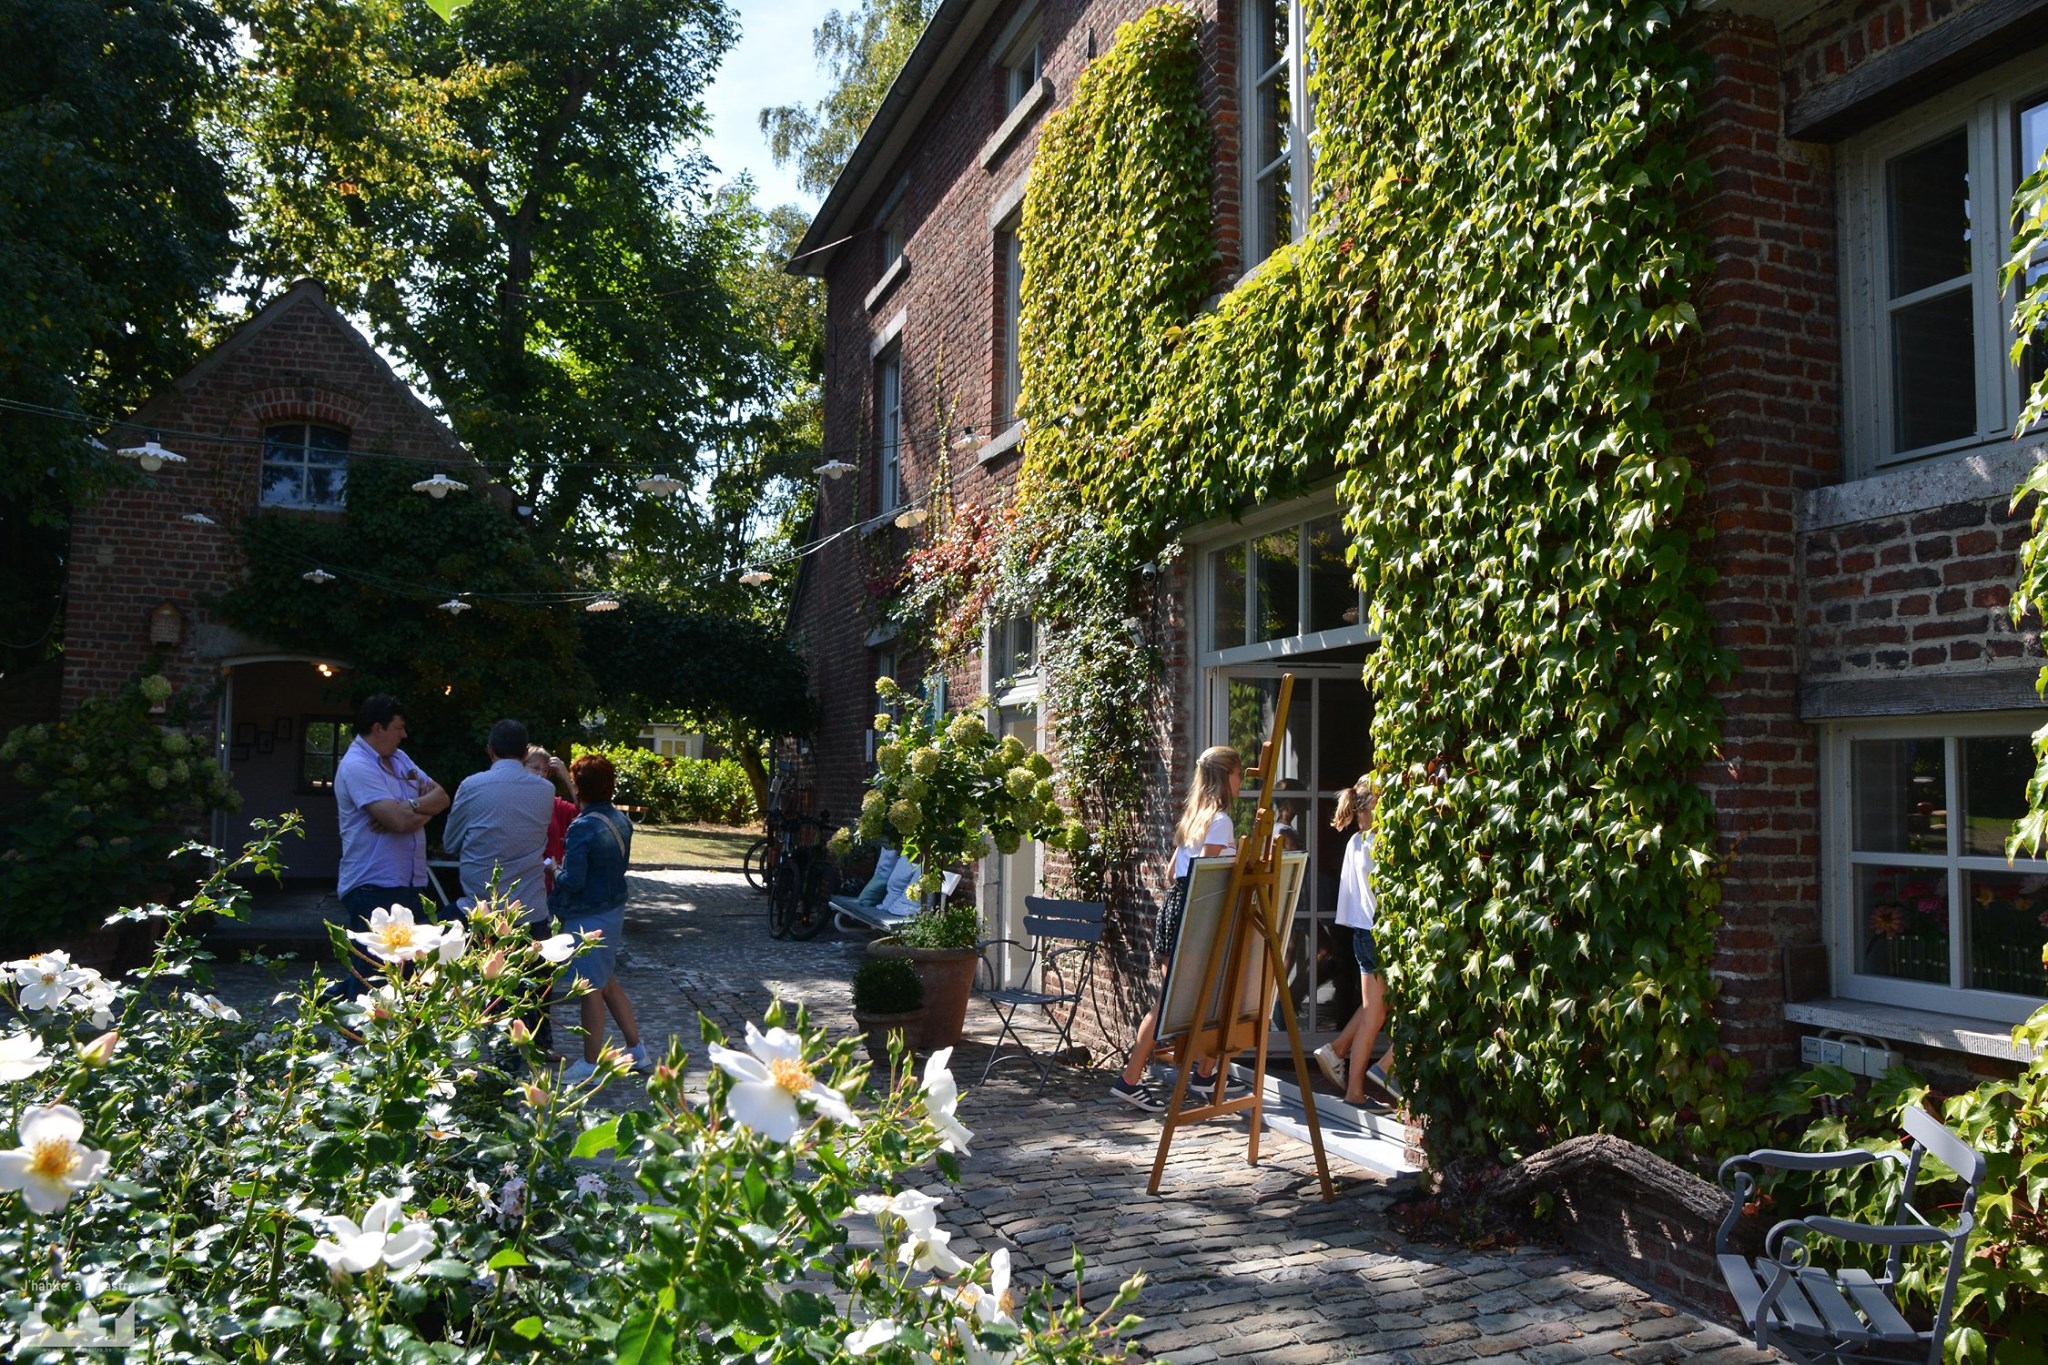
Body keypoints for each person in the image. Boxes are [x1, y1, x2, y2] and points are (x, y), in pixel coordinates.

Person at [1110, 745, 1252, 1113]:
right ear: (1226, 777)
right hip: (1195, 915)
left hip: (1177, 910)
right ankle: (1130, 1079)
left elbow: (1173, 872)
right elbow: (1205, 877)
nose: (1241, 782)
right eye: (1238, 774)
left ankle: (1204, 1077)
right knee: (1170, 1003)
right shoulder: (1220, 821)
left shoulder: (1194, 817)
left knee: (1202, 998)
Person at [551, 752, 652, 1083]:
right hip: (613, 909)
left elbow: (573, 881)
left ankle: (590, 1063)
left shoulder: (582, 827)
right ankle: (636, 1050)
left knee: (589, 988)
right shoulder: (621, 820)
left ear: (580, 787)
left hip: (588, 915)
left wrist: (553, 868)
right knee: (606, 981)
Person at [1313, 773, 1402, 1113]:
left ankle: (1351, 1083)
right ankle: (1382, 1069)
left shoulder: (1355, 843)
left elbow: (1347, 896)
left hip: (1362, 934)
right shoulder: (1384, 842)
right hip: (1383, 935)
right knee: (1383, 1012)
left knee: (1371, 1011)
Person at [333, 695, 449, 931]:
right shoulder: (357, 765)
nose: (404, 735)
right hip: (374, 886)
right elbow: (398, 821)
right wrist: (417, 810)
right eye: (399, 728)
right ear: (378, 729)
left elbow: (443, 798)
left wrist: (407, 808)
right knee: (377, 967)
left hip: (409, 882)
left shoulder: (399, 758)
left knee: (408, 967)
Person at [442, 718, 555, 924]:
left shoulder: (471, 786)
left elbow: (450, 843)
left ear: (490, 750)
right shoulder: (547, 790)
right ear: (525, 753)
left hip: (479, 914)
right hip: (531, 913)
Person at [523, 745, 579, 893]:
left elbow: (583, 811)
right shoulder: (512, 800)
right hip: (520, 884)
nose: (541, 774)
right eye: (535, 768)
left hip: (549, 887)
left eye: (546, 770)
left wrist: (566, 777)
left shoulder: (554, 803)